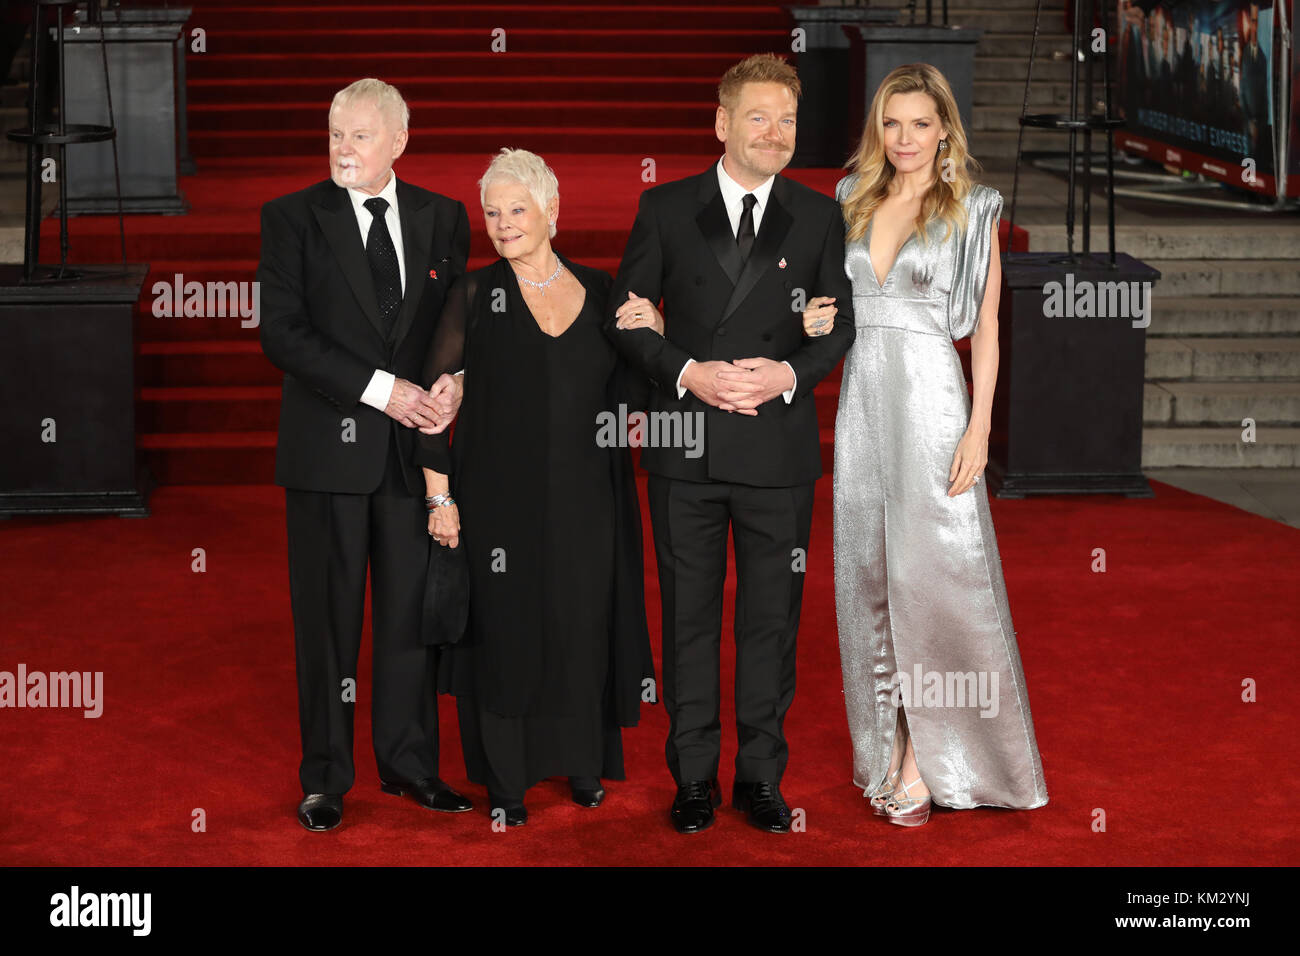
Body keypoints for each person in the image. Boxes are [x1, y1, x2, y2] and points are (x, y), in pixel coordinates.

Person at [606, 53, 855, 834]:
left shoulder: (818, 216)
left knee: (770, 620)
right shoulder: (666, 206)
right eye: (758, 116)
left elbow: (837, 323)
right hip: (687, 444)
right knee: (686, 617)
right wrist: (689, 372)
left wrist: (783, 372)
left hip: (777, 449)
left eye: (786, 119)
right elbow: (628, 312)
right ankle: (692, 777)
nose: (775, 132)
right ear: (721, 123)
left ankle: (759, 777)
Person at [802, 63, 1048, 827]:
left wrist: (978, 426)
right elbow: (838, 307)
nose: (905, 138)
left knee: (936, 583)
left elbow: (989, 328)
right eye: (892, 123)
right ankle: (889, 745)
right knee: (869, 578)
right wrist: (814, 317)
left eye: (920, 123)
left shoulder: (974, 207)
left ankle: (935, 761)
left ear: (945, 128)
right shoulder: (850, 197)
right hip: (863, 405)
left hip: (935, 405)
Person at [416, 148, 655, 826]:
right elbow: (433, 404)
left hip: (591, 494)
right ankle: (508, 780)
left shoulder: (602, 291)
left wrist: (658, 333)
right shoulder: (472, 294)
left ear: (552, 210)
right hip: (498, 499)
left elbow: (633, 389)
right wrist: (441, 497)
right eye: (492, 213)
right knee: (509, 628)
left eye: (517, 209)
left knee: (582, 622)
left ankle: (581, 760)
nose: (503, 223)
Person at [258, 78, 472, 831]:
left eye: (357, 135)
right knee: (327, 620)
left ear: (398, 142)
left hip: (414, 457)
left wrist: (452, 383)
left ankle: (411, 765)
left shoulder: (444, 217)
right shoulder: (291, 218)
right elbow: (281, 334)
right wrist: (384, 391)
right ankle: (325, 776)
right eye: (334, 134)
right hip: (327, 454)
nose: (341, 149)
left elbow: (454, 324)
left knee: (410, 615)